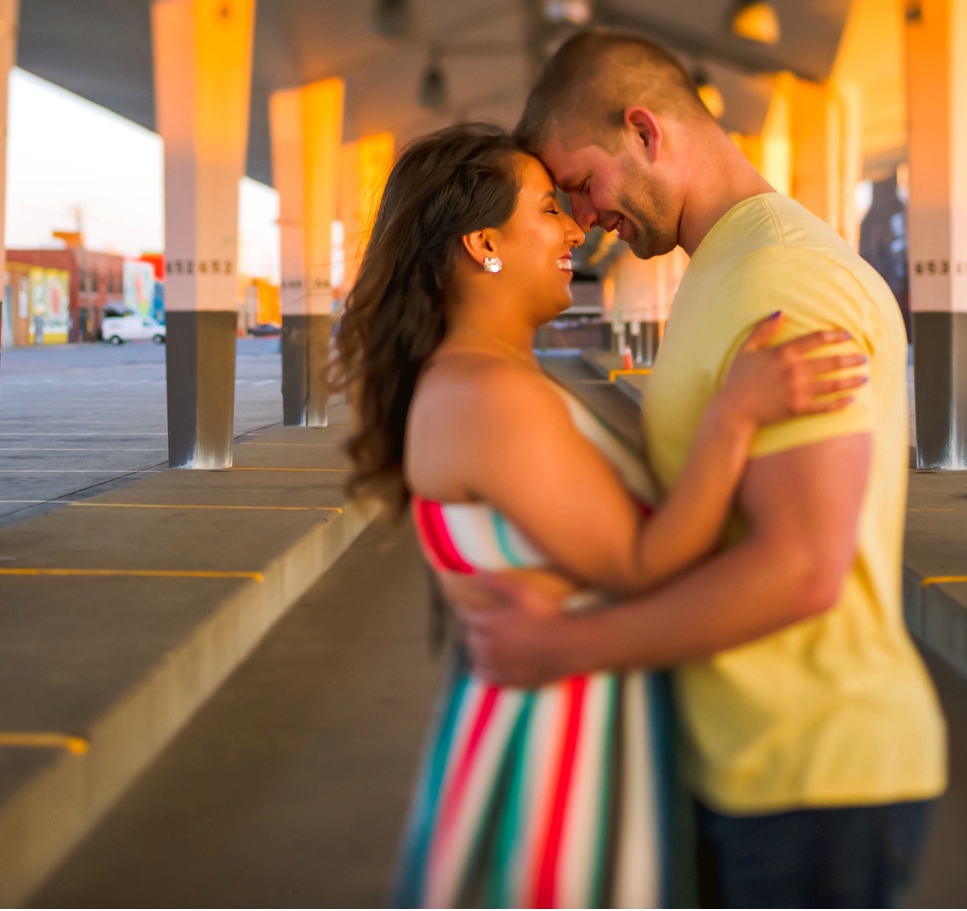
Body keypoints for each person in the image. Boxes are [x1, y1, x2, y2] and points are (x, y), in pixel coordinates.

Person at [459, 30, 947, 909]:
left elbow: (801, 567)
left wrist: (566, 648)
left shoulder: (784, 280)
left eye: (578, 182)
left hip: (814, 775)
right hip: (757, 764)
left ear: (645, 132)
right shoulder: (726, 266)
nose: (576, 218)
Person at [333, 123, 867, 908]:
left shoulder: (484, 382)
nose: (575, 229)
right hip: (552, 775)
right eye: (548, 209)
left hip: (559, 738)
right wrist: (732, 418)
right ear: (483, 244)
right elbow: (641, 562)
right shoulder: (489, 395)